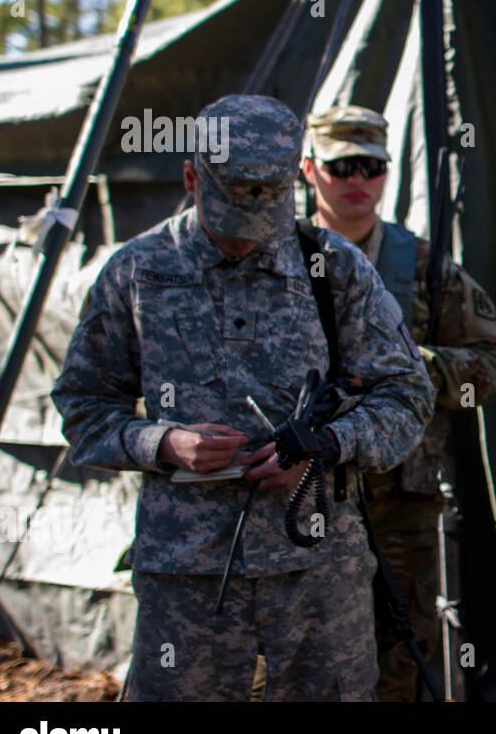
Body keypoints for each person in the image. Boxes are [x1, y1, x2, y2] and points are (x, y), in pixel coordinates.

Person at [52, 94, 435, 701]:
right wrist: (164, 442)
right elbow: (83, 407)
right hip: (188, 579)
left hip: (317, 572)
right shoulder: (137, 272)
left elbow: (408, 395)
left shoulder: (335, 269)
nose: (244, 242)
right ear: (190, 178)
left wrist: (326, 445)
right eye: (229, 218)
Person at [302, 104, 496, 701]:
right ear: (308, 167)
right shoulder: (276, 259)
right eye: (342, 165)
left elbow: (495, 365)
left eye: (371, 166)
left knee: (398, 663)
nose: (357, 181)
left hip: (400, 508)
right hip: (294, 499)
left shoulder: (419, 265)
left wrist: (414, 368)